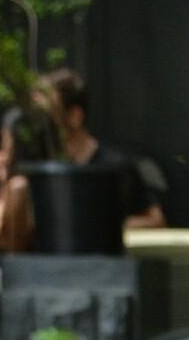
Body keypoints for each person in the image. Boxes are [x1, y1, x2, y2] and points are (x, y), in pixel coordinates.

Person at [38, 68, 168, 230]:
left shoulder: (114, 167)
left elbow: (155, 221)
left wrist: (97, 226)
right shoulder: (41, 165)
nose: (41, 125)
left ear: (75, 116)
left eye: (48, 115)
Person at [0, 105, 56, 255]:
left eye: (4, 141)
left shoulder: (19, 187)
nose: (0, 150)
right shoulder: (26, 183)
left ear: (15, 144)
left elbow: (11, 247)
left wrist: (6, 185)